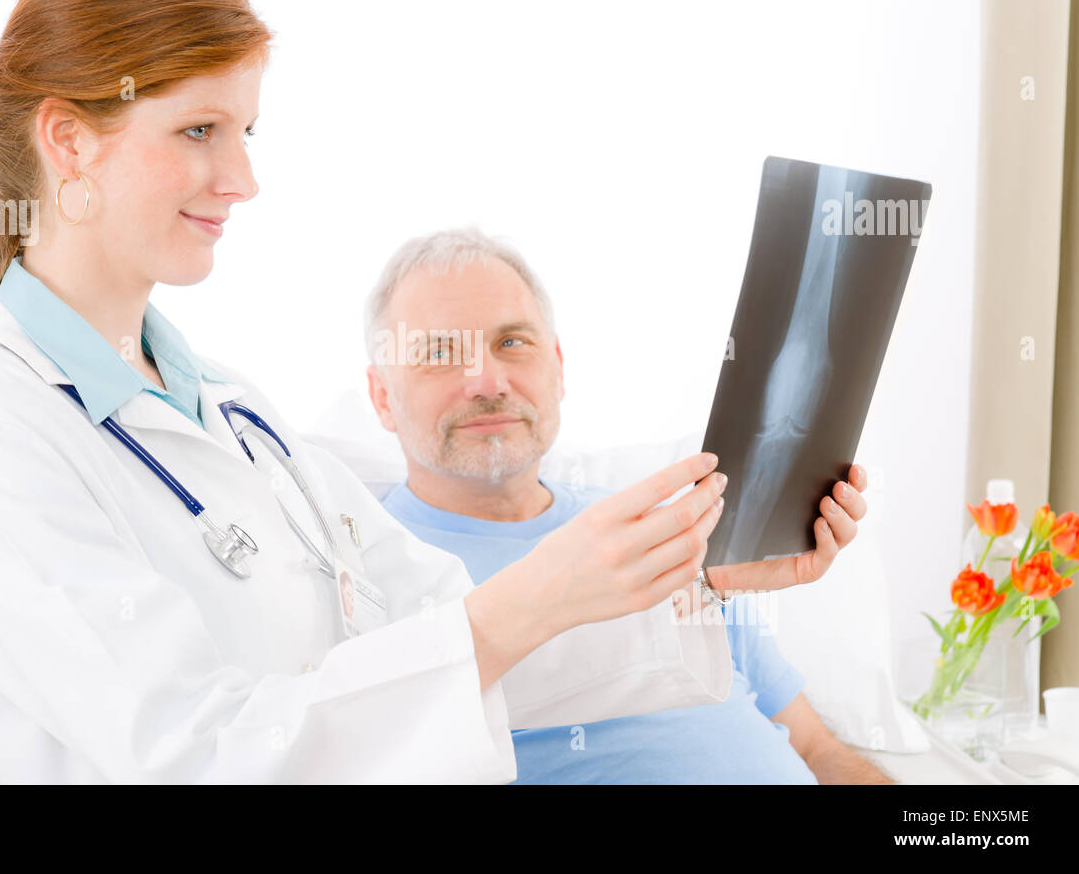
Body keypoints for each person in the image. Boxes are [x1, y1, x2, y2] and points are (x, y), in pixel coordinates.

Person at [0, 0, 835, 785]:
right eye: (200, 131)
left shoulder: (234, 411)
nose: (243, 179)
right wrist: (513, 614)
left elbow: (441, 644)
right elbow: (197, 754)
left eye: (247, 133)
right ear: (69, 139)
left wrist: (696, 578)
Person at [364, 227, 890, 783]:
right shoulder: (369, 572)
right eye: (441, 352)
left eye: (512, 342)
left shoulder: (666, 531)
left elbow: (811, 743)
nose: (487, 381)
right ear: (382, 398)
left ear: (558, 367)